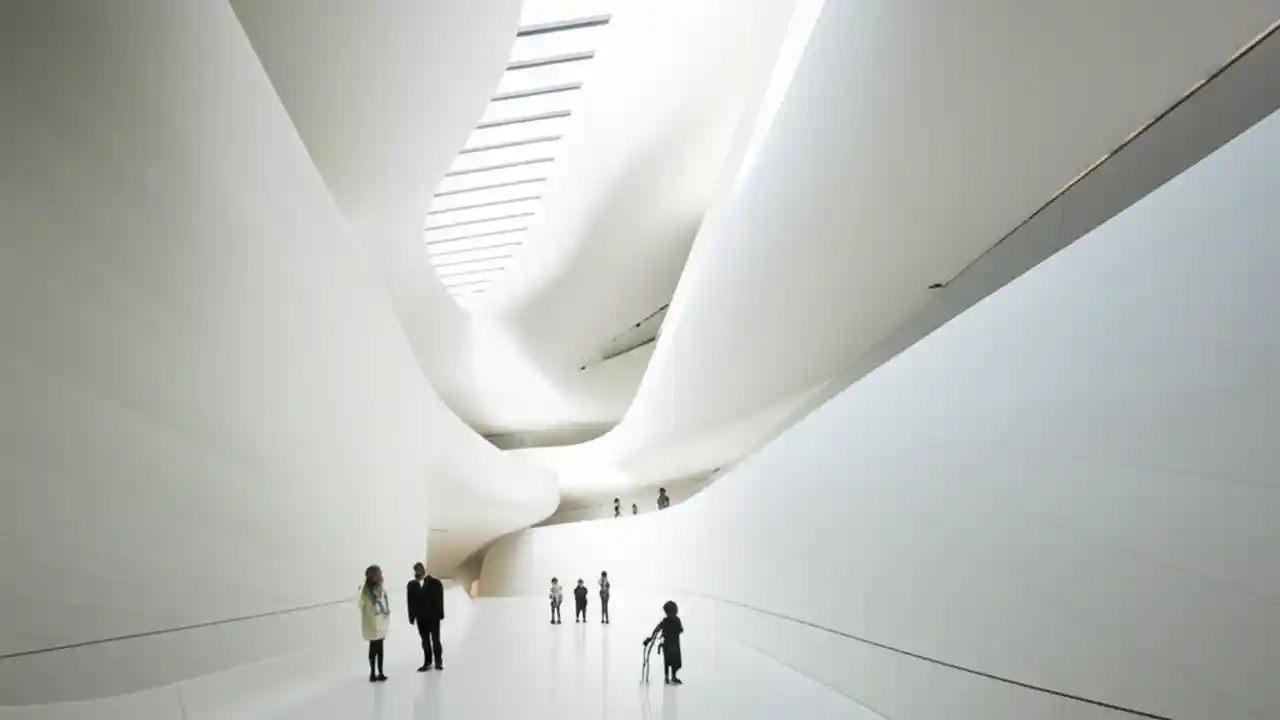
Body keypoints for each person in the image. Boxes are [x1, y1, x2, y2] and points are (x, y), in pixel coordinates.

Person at [406, 562, 445, 671]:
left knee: (436, 640)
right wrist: (411, 616)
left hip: (433, 617)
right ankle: (427, 662)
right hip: (421, 618)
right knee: (425, 641)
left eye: (420, 569)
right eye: (416, 570)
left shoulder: (436, 583)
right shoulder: (412, 585)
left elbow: (439, 600)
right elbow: (410, 602)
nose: (418, 571)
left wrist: (440, 615)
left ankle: (438, 662)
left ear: (424, 569)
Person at [358, 565, 390, 683]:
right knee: (373, 648)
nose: (381, 576)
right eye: (379, 574)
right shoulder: (366, 592)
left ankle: (380, 672)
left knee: (380, 648)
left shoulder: (380, 589)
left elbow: (383, 602)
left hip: (380, 623)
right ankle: (372, 673)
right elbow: (367, 609)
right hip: (373, 624)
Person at [643, 600, 684, 685]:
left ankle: (668, 677)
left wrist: (650, 639)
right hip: (673, 644)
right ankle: (672, 676)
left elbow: (657, 630)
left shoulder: (666, 621)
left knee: (668, 661)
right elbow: (680, 630)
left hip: (668, 645)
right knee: (674, 661)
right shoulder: (676, 620)